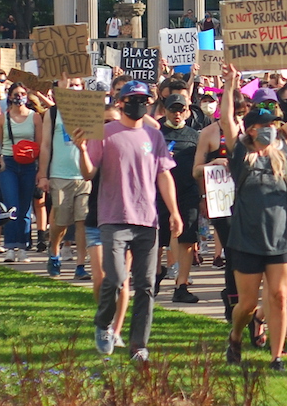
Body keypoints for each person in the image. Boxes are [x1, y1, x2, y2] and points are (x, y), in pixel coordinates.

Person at [219, 65, 287, 369]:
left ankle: (276, 356)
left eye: (274, 122)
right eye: (265, 124)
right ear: (251, 129)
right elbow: (226, 121)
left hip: (279, 238)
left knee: (278, 296)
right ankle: (235, 335)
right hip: (246, 238)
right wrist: (231, 83)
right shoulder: (240, 153)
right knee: (246, 304)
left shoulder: (282, 149)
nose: (272, 127)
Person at [80, 82, 182, 361]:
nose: (140, 103)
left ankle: (139, 344)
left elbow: (164, 174)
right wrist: (81, 150)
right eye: (134, 99)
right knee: (114, 277)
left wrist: (174, 212)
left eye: (144, 99)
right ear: (121, 102)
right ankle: (103, 323)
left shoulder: (154, 136)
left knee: (146, 285)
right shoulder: (105, 133)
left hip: (147, 220)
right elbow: (89, 173)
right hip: (113, 219)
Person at [37, 80, 91, 281]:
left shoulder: (90, 111)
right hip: (60, 174)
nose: (74, 88)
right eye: (70, 85)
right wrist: (43, 174)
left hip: (84, 175)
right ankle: (54, 250)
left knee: (82, 220)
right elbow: (45, 146)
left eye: (78, 84)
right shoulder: (53, 113)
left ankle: (80, 264)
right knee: (60, 220)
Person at [158, 94, 204, 304]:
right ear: (165, 110)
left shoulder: (195, 136)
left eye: (181, 110)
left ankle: (181, 285)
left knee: (187, 239)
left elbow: (201, 166)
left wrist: (203, 197)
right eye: (173, 110)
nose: (177, 114)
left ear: (187, 111)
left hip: (187, 193)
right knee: (157, 239)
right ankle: (155, 274)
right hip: (158, 193)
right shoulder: (155, 132)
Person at [0, 84, 40, 261]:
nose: (20, 97)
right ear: (10, 96)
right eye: (16, 94)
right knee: (11, 205)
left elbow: (41, 144)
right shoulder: (2, 119)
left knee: (25, 207)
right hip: (9, 163)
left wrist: (40, 169)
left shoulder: (35, 117)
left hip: (29, 164)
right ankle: (9, 247)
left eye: (23, 93)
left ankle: (22, 246)